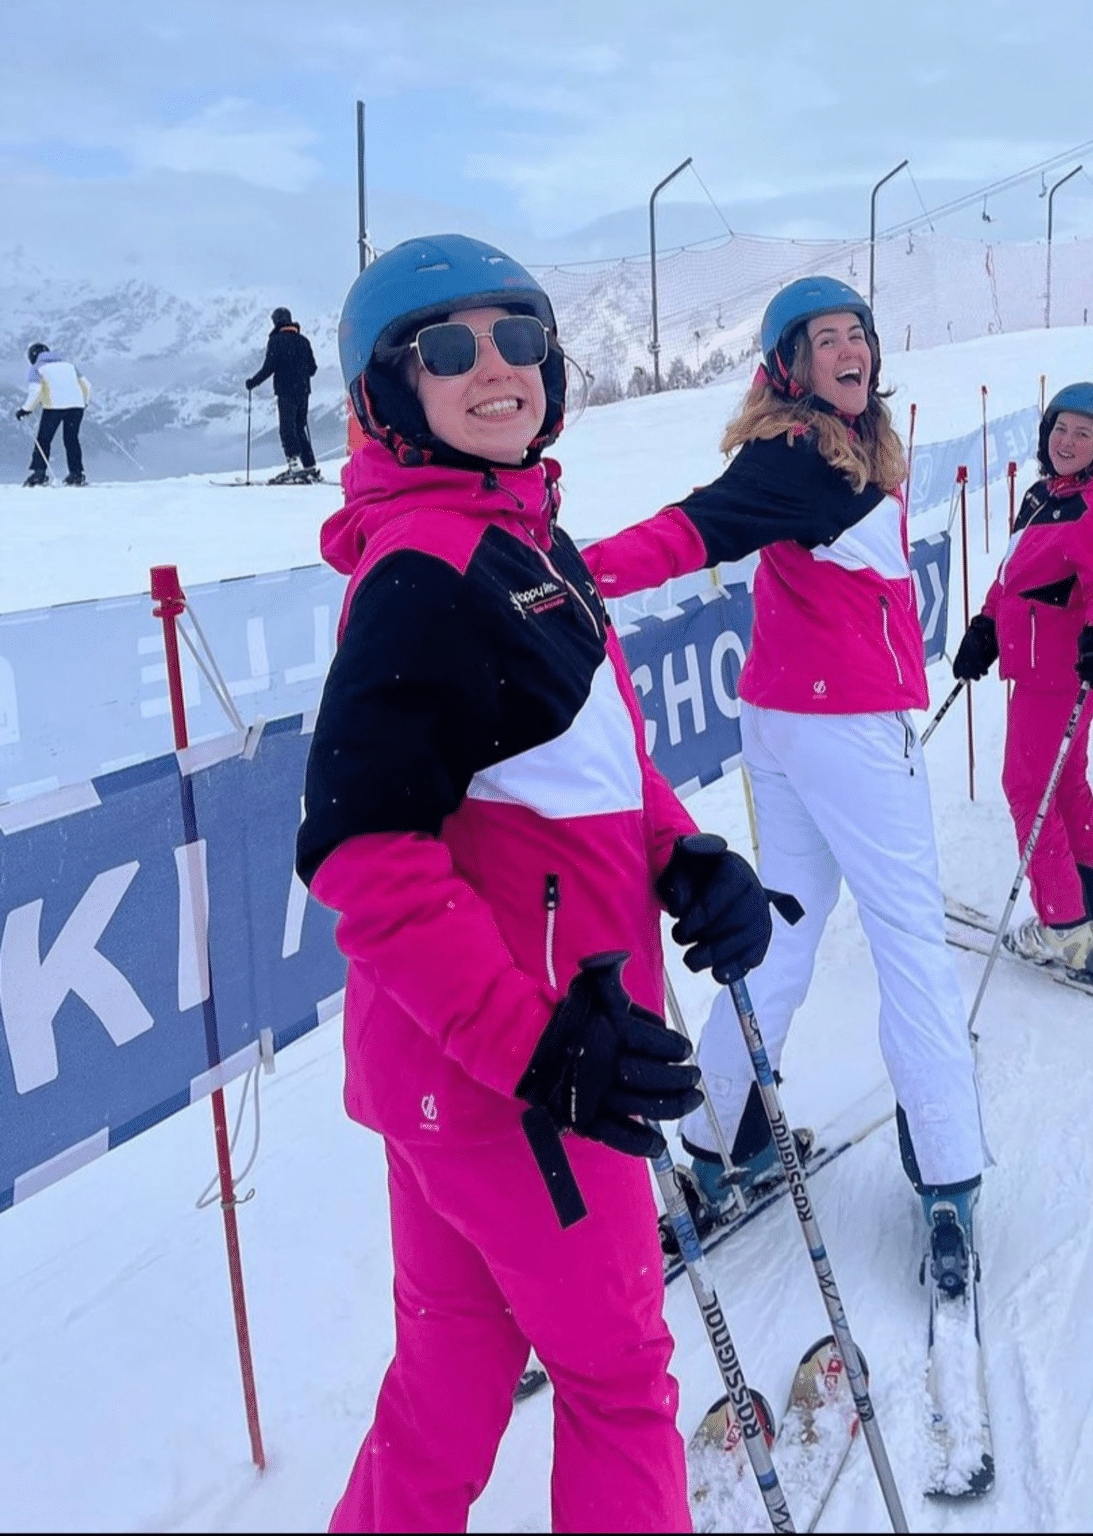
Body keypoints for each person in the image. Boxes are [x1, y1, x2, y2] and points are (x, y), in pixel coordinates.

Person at [295, 233, 775, 1534]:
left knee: (450, 1371)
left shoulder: (522, 543)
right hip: (525, 1082)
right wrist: (538, 1047)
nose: (494, 367)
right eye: (448, 348)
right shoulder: (429, 578)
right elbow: (362, 854)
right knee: (619, 1385)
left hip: (459, 1078)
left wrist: (682, 853)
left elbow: (578, 756)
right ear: (383, 399)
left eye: (520, 339)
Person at [582, 275, 988, 1296]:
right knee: (910, 944)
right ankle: (950, 1174)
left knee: (789, 927)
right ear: (788, 367)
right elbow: (694, 529)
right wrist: (567, 576)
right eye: (826, 340)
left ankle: (723, 1139)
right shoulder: (803, 459)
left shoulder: (849, 448)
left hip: (788, 722)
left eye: (860, 334)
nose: (850, 350)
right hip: (847, 733)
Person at [951, 383, 1093, 985]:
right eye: (1060, 429)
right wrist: (986, 625)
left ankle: (1060, 926)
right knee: (1061, 790)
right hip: (1037, 666)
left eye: (1083, 434)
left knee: (1027, 789)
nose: (1067, 441)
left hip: (1064, 674)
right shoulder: (1043, 497)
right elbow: (1014, 574)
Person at [246, 306, 320, 483]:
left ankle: (294, 465)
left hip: (286, 391)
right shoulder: (303, 341)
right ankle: (309, 465)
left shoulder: (276, 341)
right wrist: (300, 371)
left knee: (287, 428)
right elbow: (313, 369)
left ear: (276, 321)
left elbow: (269, 368)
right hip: (303, 391)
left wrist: (252, 382)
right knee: (299, 426)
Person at [17, 341, 90, 487]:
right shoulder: (70, 366)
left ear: (32, 356)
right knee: (71, 440)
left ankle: (39, 474)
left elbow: (35, 392)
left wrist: (26, 409)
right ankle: (76, 475)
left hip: (54, 407)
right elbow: (87, 385)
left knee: (43, 439)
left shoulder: (37, 368)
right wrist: (84, 402)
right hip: (76, 406)